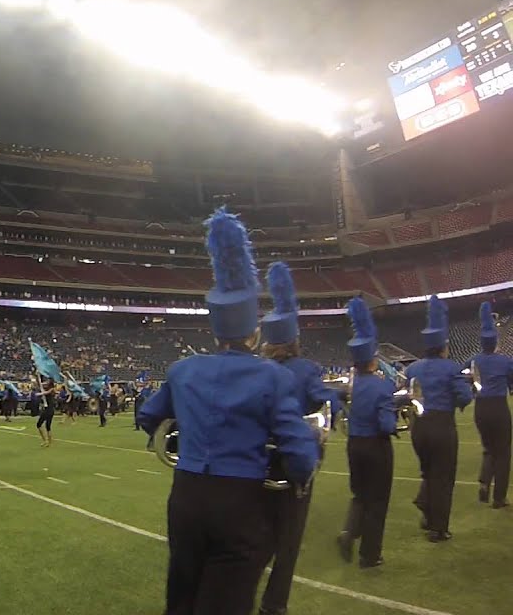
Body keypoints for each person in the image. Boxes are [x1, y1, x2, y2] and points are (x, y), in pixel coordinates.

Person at [137, 208, 317, 615]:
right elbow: (300, 453)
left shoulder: (183, 370)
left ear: (216, 329)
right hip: (240, 502)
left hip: (185, 498)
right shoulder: (272, 377)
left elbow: (148, 417)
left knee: (181, 597)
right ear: (255, 332)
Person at [257, 262, 344, 615]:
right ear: (294, 340)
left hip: (253, 464)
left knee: (254, 538)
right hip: (293, 465)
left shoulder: (255, 368)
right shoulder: (306, 369)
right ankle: (274, 605)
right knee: (288, 541)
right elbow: (328, 402)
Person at [336, 297, 397, 569]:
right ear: (373, 358)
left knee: (360, 494)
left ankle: (349, 531)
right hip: (376, 447)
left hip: (354, 445)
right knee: (378, 501)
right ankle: (370, 555)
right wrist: (396, 423)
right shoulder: (382, 388)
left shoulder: (352, 386)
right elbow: (386, 425)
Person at [408, 295, 472, 542]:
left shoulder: (413, 368)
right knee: (443, 477)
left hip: (418, 428)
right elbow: (465, 396)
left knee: (429, 472)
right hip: (442, 425)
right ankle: (438, 528)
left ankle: (425, 505)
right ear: (443, 346)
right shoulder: (452, 367)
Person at [471, 301, 512, 508]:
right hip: (498, 407)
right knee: (503, 452)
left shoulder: (474, 360)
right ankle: (499, 498)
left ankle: (484, 482)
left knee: (488, 448)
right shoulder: (505, 361)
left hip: (480, 408)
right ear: (495, 342)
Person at [36, 378, 57, 447]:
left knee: (40, 424)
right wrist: (37, 376)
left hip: (48, 409)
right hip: (48, 409)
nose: (46, 382)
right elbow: (40, 384)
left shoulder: (52, 389)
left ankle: (46, 441)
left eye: (48, 381)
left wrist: (40, 394)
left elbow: (46, 392)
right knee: (47, 426)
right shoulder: (47, 388)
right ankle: (47, 442)